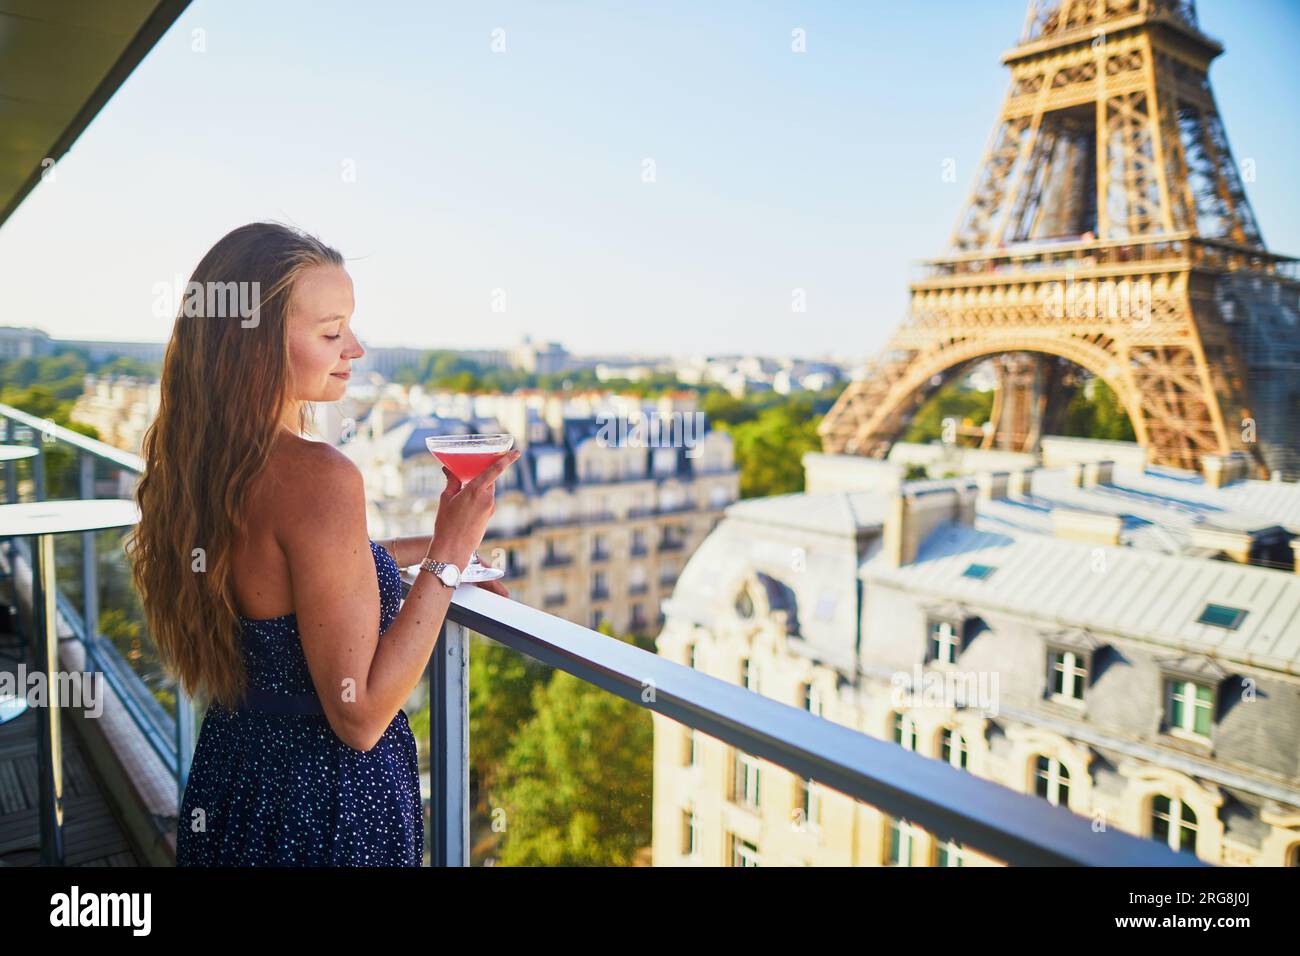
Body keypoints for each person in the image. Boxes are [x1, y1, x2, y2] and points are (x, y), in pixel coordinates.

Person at [126, 221, 520, 865]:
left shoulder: (204, 459)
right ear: (253, 345)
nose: (356, 349)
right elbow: (359, 717)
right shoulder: (321, 477)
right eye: (331, 332)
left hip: (238, 773)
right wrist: (450, 555)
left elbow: (302, 571)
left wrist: (429, 545)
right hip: (327, 805)